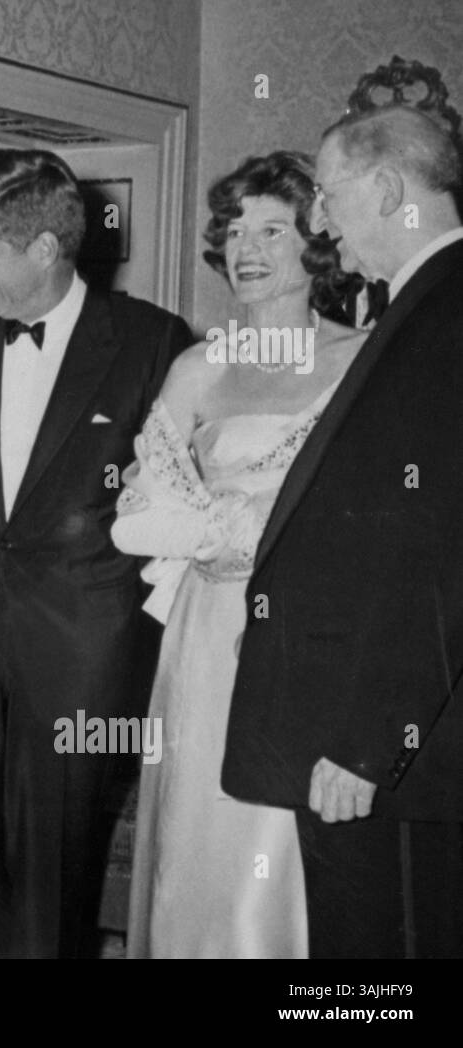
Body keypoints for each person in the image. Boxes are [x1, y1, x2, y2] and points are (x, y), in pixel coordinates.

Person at [0, 149, 192, 958]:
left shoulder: (150, 340)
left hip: (81, 650)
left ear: (43, 250)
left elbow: (160, 504)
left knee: (54, 872)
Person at [223, 106, 463, 959]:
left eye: (326, 195)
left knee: (377, 957)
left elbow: (438, 550)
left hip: (386, 748)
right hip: (372, 728)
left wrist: (369, 744)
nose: (318, 221)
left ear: (388, 188)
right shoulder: (420, 304)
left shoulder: (445, 314)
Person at [113, 152, 364, 958]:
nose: (246, 248)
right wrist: (214, 533)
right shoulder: (199, 365)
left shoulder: (359, 359)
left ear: (316, 244)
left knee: (281, 830)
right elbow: (139, 499)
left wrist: (255, 528)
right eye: (233, 229)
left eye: (272, 229)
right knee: (198, 823)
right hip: (205, 627)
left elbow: (371, 513)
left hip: (308, 627)